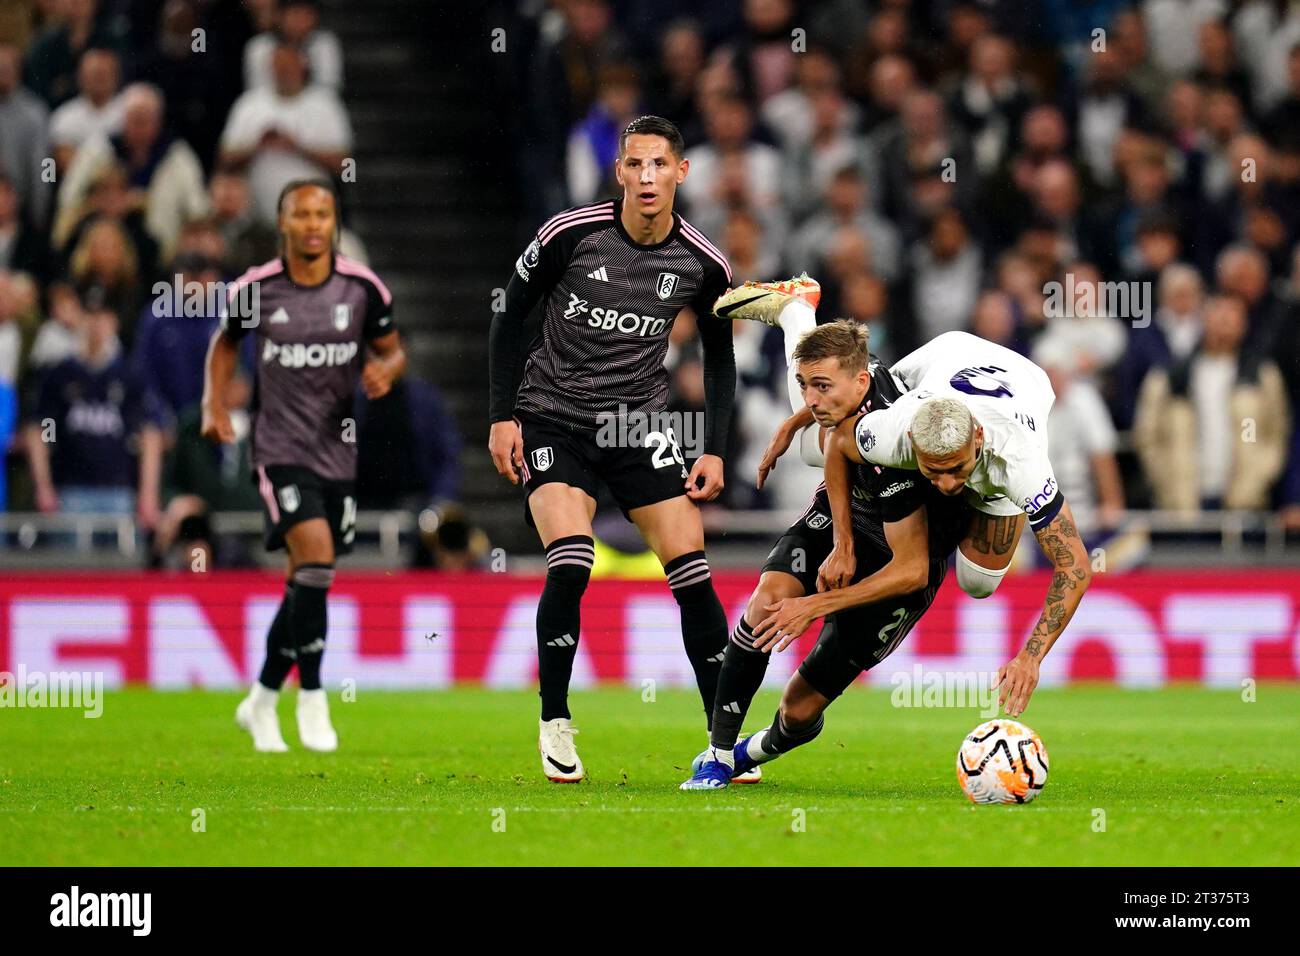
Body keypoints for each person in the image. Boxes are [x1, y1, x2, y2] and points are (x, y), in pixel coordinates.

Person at [487, 114, 737, 783]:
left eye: (661, 165)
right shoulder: (570, 234)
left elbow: (719, 358)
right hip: (552, 419)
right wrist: (500, 417)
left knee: (691, 572)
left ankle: (723, 741)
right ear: (619, 171)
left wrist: (713, 449)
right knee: (572, 561)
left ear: (681, 172)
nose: (648, 177)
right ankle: (555, 720)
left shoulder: (704, 264)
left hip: (637, 427)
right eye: (636, 164)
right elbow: (509, 317)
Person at [679, 302, 971, 790]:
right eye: (804, 386)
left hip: (900, 562)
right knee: (766, 604)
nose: (812, 399)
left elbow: (912, 569)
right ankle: (718, 753)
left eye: (821, 388)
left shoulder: (892, 446)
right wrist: (841, 540)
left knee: (798, 709)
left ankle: (750, 751)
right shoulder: (861, 376)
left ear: (859, 386)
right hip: (848, 517)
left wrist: (813, 606)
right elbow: (837, 437)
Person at [201, 179, 406, 753]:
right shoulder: (256, 288)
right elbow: (224, 343)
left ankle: (262, 700)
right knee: (315, 555)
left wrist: (385, 371)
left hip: (337, 451)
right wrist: (214, 403)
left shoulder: (362, 287)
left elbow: (392, 348)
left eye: (323, 214)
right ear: (282, 223)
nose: (314, 224)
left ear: (333, 223)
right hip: (279, 450)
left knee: (306, 579)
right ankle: (312, 698)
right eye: (302, 215)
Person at [822, 330, 1094, 718]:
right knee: (810, 448)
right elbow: (837, 438)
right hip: (945, 355)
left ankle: (974, 501)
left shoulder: (1021, 464)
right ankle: (796, 311)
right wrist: (842, 542)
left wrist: (1030, 659)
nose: (947, 484)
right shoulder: (896, 427)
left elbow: (1076, 566)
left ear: (978, 439)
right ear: (913, 442)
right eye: (934, 471)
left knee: (978, 583)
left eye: (957, 469)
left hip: (1022, 379)